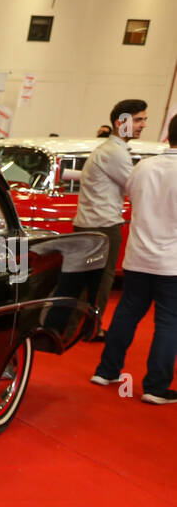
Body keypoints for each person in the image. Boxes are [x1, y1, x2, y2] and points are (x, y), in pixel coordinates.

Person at [89, 112, 177, 404]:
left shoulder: (143, 167)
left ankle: (106, 370)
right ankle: (155, 387)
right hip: (171, 262)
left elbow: (131, 200)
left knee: (127, 313)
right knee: (168, 322)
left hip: (138, 256)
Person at [72, 98, 148, 340]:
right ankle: (91, 329)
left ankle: (77, 327)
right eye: (138, 120)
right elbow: (136, 187)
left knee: (84, 282)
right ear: (120, 122)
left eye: (144, 119)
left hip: (89, 223)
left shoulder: (108, 149)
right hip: (103, 226)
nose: (143, 125)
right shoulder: (116, 152)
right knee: (101, 281)